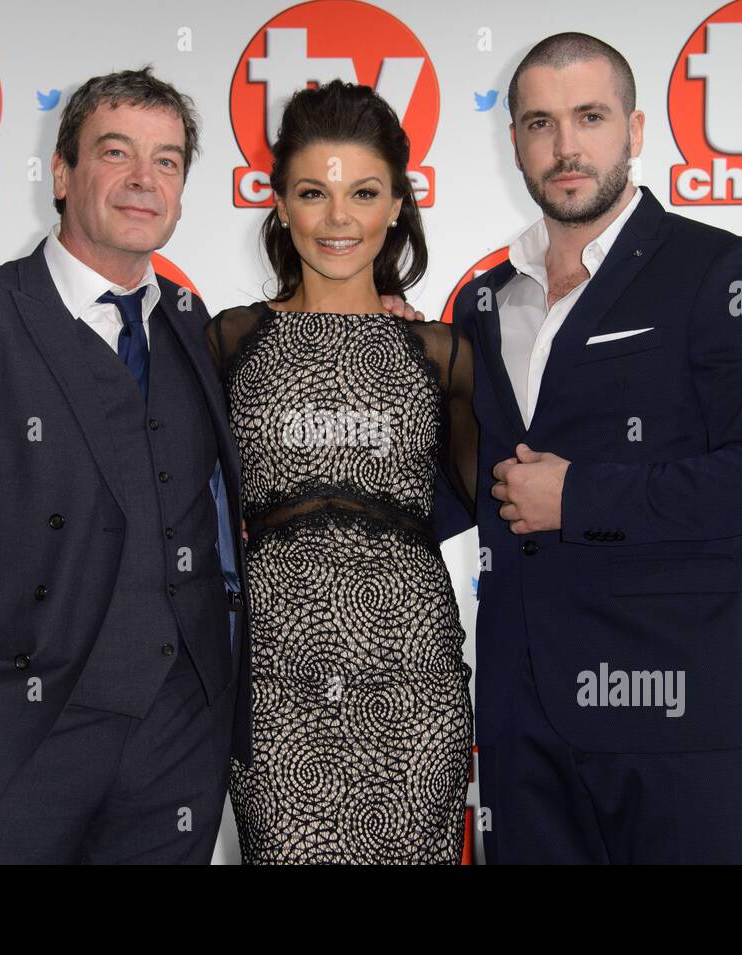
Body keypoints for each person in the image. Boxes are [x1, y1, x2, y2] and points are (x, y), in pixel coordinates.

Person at [0, 68, 248, 863]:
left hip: (175, 747)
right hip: (2, 747)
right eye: (116, 152)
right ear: (62, 173)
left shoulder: (198, 329)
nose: (142, 180)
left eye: (166, 162)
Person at [431, 33, 742, 863]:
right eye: (540, 123)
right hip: (518, 715)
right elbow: (461, 486)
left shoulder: (722, 269)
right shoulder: (480, 303)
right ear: (516, 144)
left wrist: (580, 499)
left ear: (635, 130)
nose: (566, 147)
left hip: (673, 709)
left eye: (590, 117)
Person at [206, 80, 479, 863]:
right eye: (312, 193)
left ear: (396, 205)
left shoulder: (444, 352)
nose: (338, 219)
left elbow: (492, 498)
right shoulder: (225, 341)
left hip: (413, 677)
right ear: (279, 203)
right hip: (274, 678)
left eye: (363, 193)